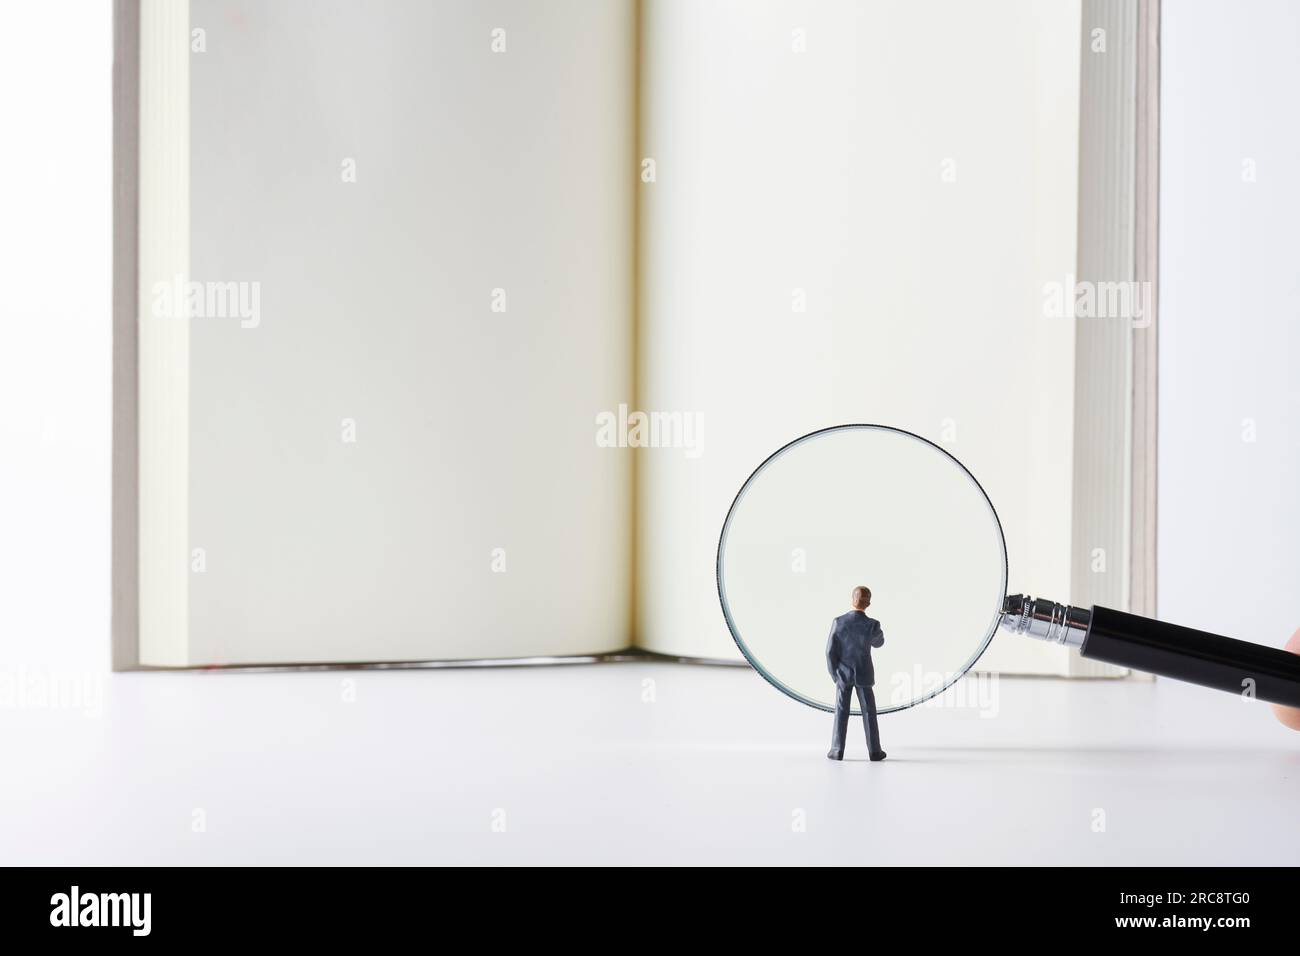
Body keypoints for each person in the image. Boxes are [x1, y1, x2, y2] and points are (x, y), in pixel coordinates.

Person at [825, 586, 886, 761]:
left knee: (841, 712)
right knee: (869, 713)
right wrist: (875, 632)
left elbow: (830, 652)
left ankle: (837, 750)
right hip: (864, 675)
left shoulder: (838, 622)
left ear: (852, 599)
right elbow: (879, 643)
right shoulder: (872, 624)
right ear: (868, 603)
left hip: (843, 675)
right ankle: (874, 751)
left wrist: (835, 674)